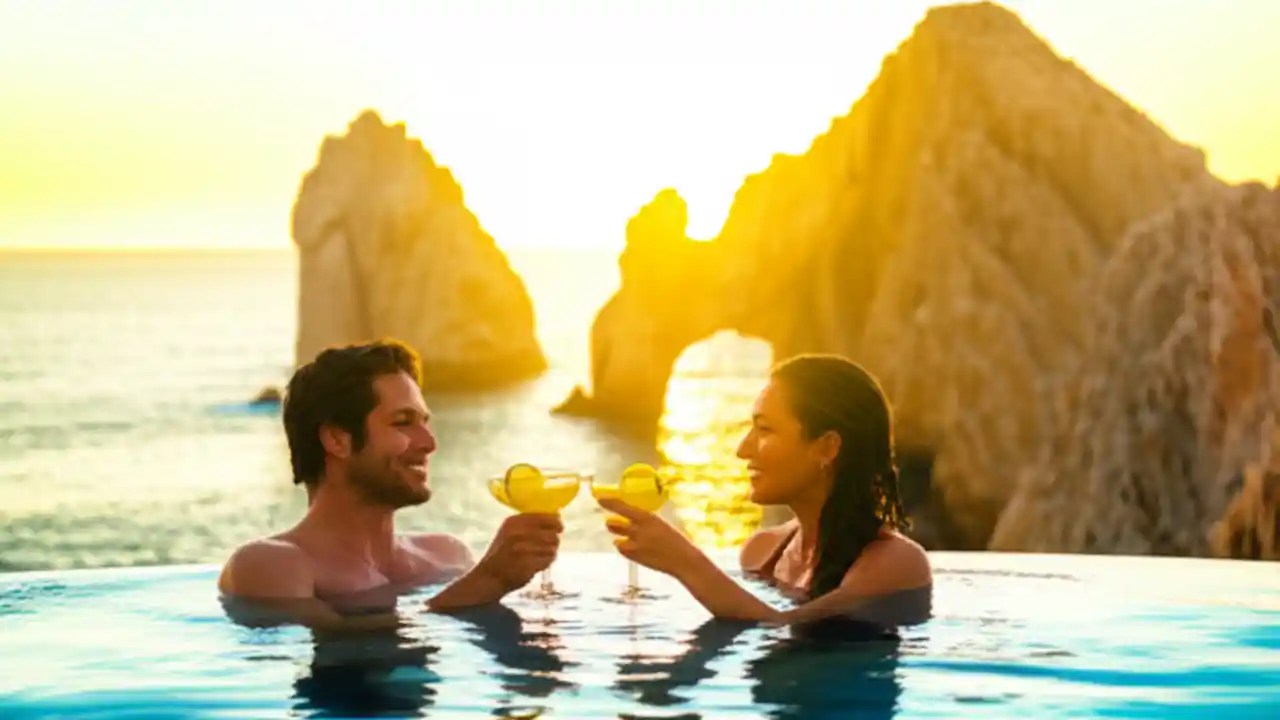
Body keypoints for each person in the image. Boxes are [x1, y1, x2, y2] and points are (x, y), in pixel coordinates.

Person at [218, 339, 563, 631]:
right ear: (338, 440)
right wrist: (489, 582)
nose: (429, 442)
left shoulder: (447, 556)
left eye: (424, 422)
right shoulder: (271, 565)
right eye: (403, 422)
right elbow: (350, 654)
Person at [598, 354, 932, 626]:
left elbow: (787, 628)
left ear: (826, 448)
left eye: (765, 430)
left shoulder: (896, 563)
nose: (743, 449)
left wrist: (684, 561)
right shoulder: (761, 554)